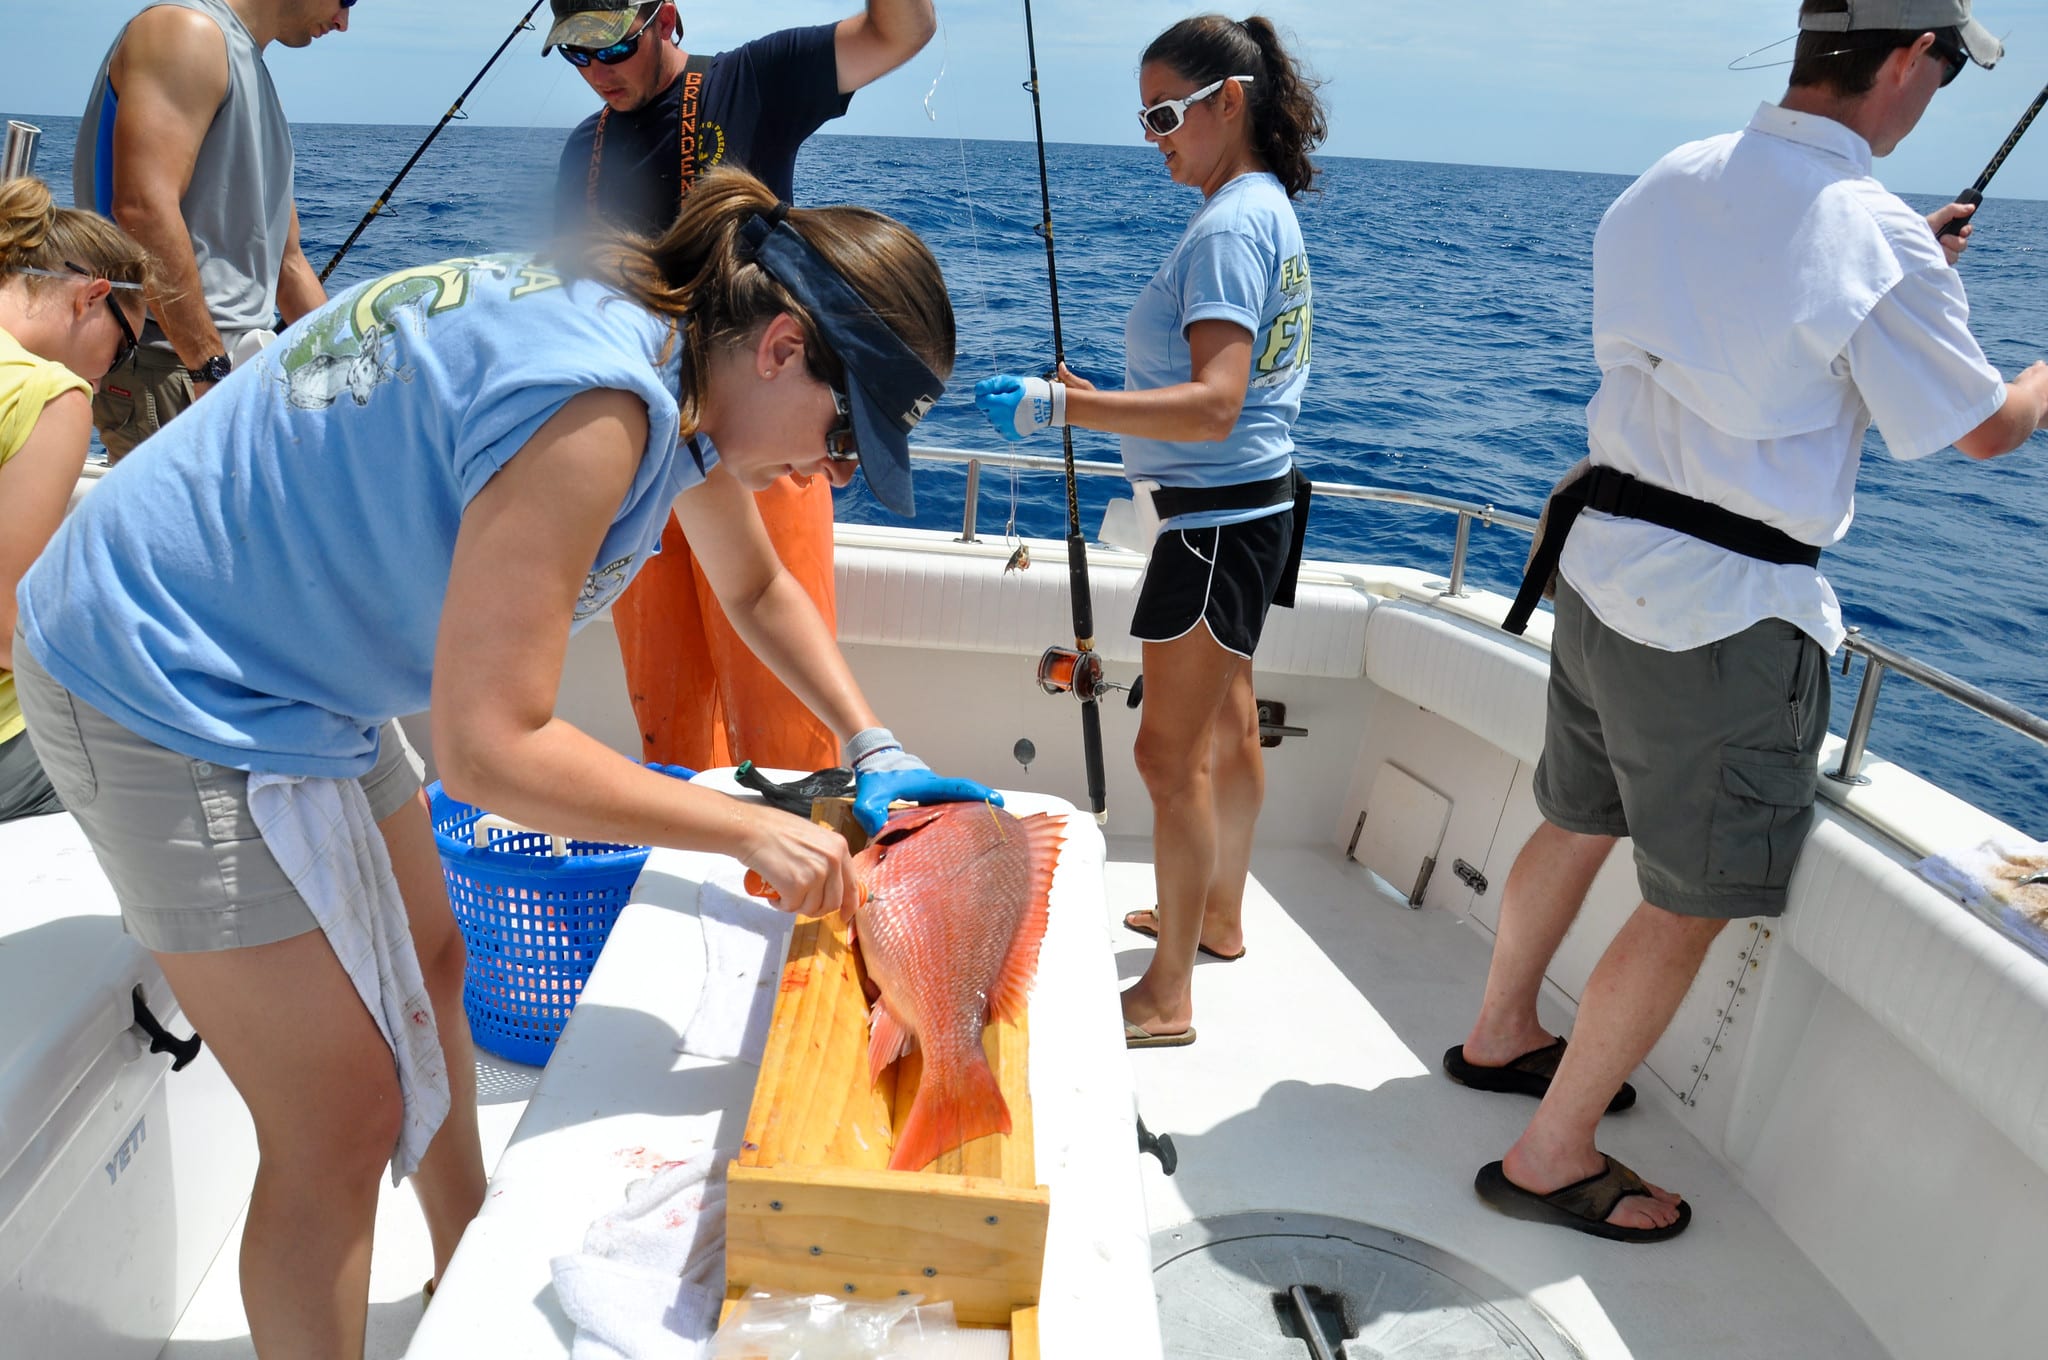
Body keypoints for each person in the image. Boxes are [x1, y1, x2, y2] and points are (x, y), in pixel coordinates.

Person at [13, 166, 994, 1355]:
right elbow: (488, 752)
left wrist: (870, 741)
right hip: (156, 668)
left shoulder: (680, 359)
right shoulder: (597, 410)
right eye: (845, 435)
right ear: (784, 346)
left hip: (292, 663)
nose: (831, 471)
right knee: (339, 1119)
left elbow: (751, 582)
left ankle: (458, 1261)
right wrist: (747, 826)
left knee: (437, 957)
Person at [1451, 0, 2047, 1243]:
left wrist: (1900, 281)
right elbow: (1981, 426)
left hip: (1601, 574)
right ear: (1903, 58)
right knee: (1686, 897)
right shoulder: (1870, 232)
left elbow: (1737, 325)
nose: (1936, 90)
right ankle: (1552, 1153)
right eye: (1940, 66)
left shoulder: (1672, 174)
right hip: (1723, 617)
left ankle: (1497, 1030)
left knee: (1573, 817)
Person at [973, 14, 1325, 1050]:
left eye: (1166, 113)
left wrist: (1060, 408)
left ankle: (1165, 994)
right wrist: (1100, 395)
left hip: (1212, 530)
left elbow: (1214, 402)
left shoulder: (1224, 228)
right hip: (1254, 511)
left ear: (1229, 103)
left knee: (1166, 757)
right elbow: (1231, 395)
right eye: (1142, 117)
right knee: (1226, 724)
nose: (1152, 134)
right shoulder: (1264, 210)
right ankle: (1213, 918)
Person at [547, 0, 937, 776]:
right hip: (645, 459)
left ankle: (806, 887)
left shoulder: (755, 79)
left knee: (787, 727)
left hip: (768, 434)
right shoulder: (579, 152)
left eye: (614, 46)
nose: (598, 73)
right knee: (667, 717)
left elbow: (903, 29)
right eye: (576, 55)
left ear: (665, 17)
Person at [72, 0, 352, 461]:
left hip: (233, 371)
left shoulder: (257, 80)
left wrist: (346, 370)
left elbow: (287, 262)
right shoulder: (185, 31)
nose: (344, 21)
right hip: (173, 367)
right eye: (347, 0)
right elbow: (142, 210)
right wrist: (211, 369)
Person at [0, 178, 152, 822]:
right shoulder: (51, 392)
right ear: (94, 297)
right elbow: (7, 634)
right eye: (124, 349)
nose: (107, 374)